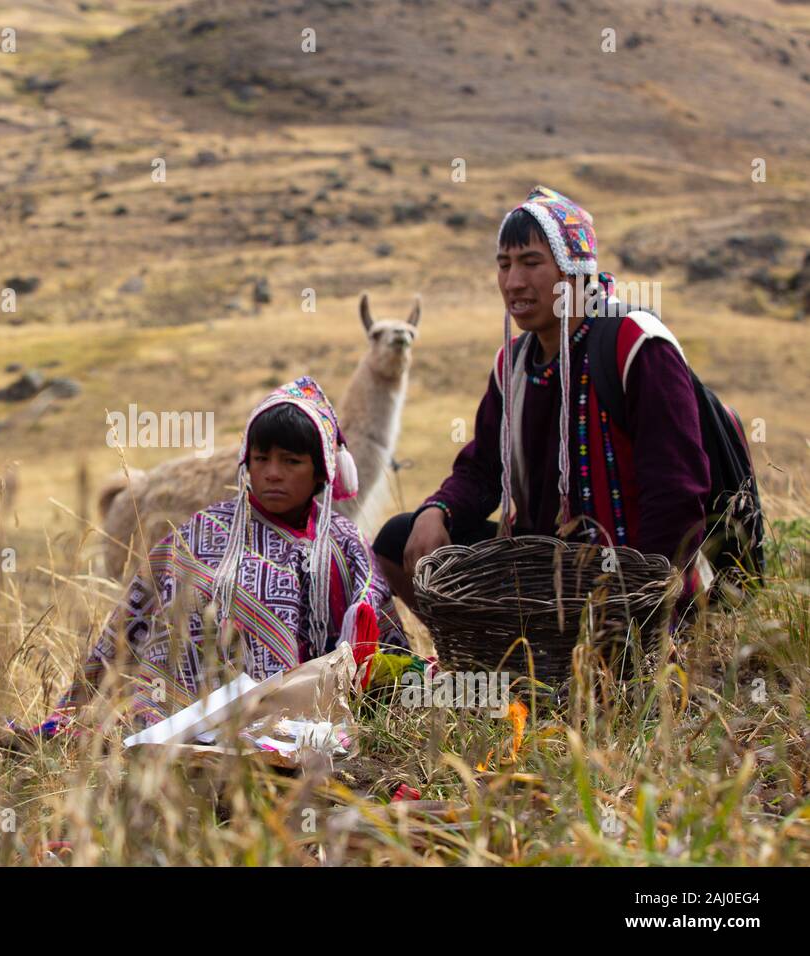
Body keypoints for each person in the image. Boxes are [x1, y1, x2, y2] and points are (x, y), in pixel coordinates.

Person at [374, 186, 712, 616]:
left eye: (531, 263)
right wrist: (437, 511)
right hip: (541, 572)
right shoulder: (513, 364)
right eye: (504, 265)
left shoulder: (636, 346)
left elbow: (676, 493)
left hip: (629, 580)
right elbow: (483, 470)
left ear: (574, 271)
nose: (513, 282)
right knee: (397, 539)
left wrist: (640, 605)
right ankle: (487, 648)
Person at [59, 376, 407, 729]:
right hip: (192, 724)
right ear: (246, 464)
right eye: (261, 459)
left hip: (328, 722)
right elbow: (133, 622)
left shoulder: (347, 543)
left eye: (290, 461)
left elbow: (384, 642)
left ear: (321, 471)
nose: (272, 473)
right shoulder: (200, 536)